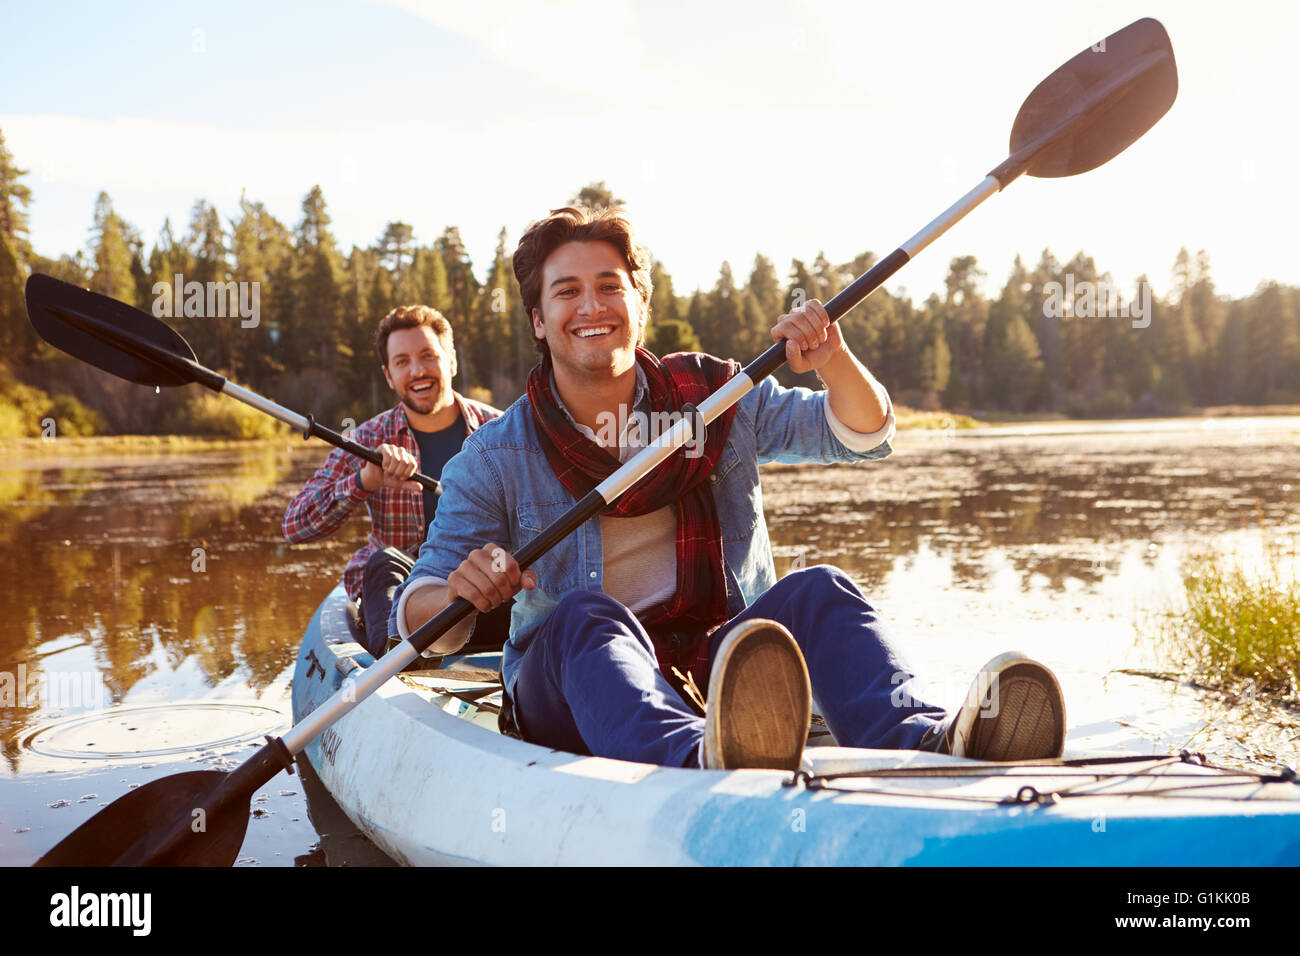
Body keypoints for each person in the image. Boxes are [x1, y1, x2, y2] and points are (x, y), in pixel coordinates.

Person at [390, 207, 1066, 770]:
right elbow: (425, 621)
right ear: (538, 320)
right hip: (572, 688)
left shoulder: (717, 397)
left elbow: (862, 433)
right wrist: (456, 594)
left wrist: (831, 359)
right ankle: (700, 761)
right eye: (566, 291)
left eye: (609, 285)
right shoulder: (494, 453)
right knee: (585, 619)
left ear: (640, 305)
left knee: (820, 590)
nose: (591, 306)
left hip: (722, 669)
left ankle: (928, 745)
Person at [283, 305, 501, 659]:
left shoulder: (499, 431)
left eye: (428, 356)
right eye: (402, 362)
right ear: (388, 375)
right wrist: (364, 481)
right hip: (405, 595)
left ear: (451, 362)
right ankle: (396, 666)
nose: (417, 371)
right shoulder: (367, 438)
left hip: (481, 590)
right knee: (384, 561)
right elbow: (295, 525)